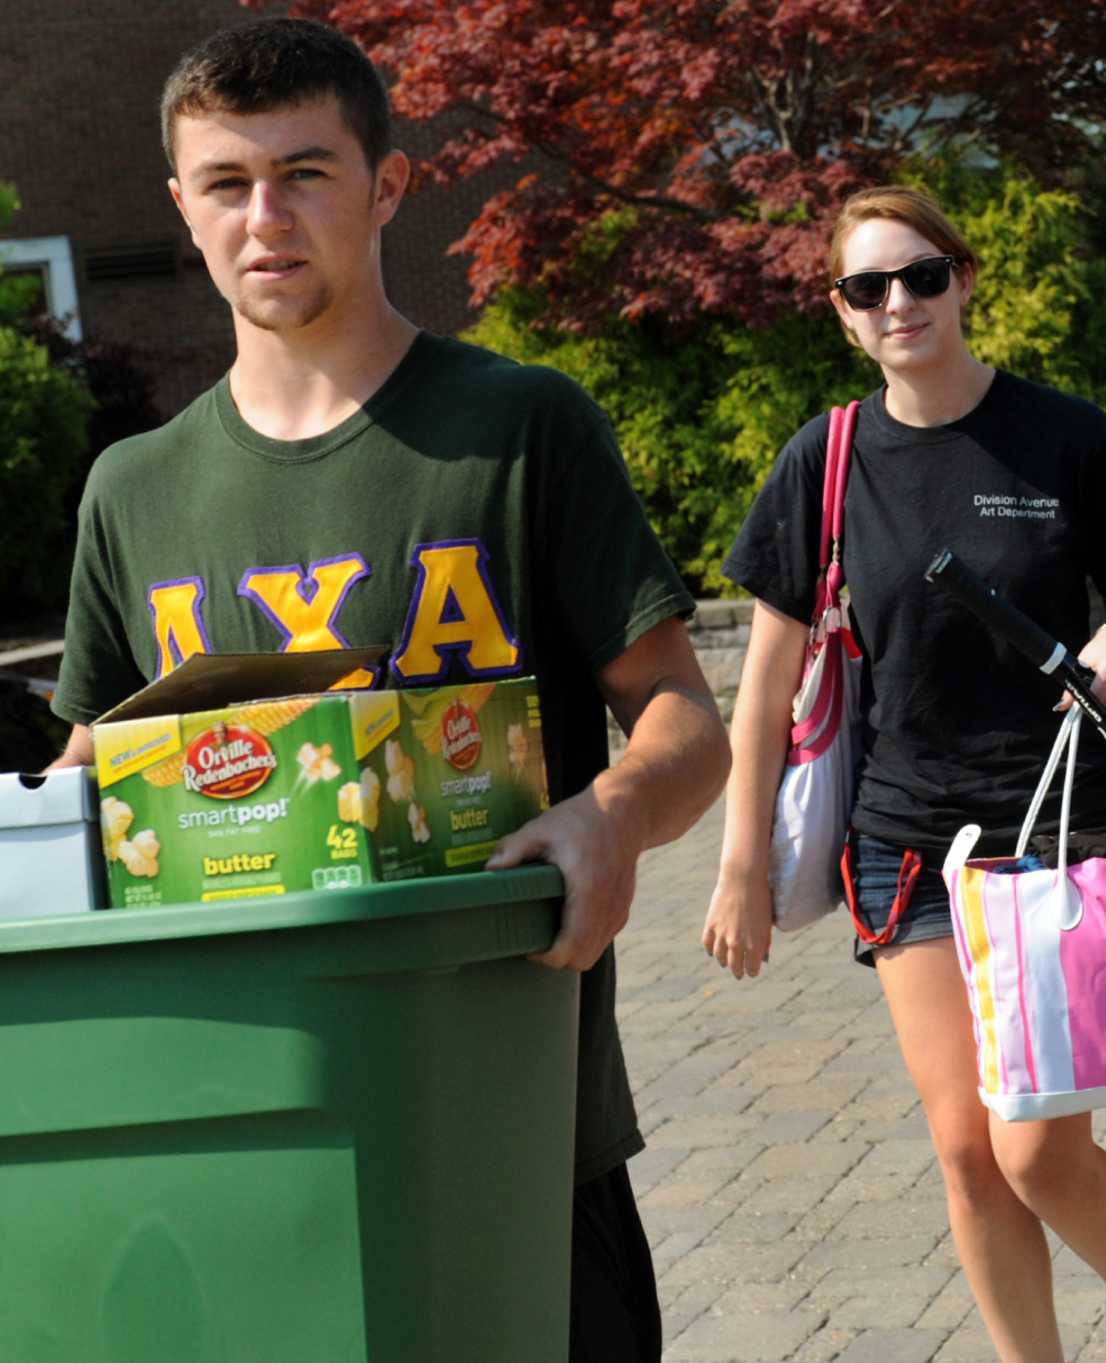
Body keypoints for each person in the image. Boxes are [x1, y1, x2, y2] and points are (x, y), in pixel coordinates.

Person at [46, 18, 730, 1360]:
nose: (265, 217)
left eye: (304, 172)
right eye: (227, 183)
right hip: (235, 1141)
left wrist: (613, 813)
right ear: (181, 207)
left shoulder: (520, 427)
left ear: (387, 187)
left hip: (513, 1122)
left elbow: (684, 717)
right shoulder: (132, 490)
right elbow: (89, 779)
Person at [701, 187, 1106, 1363]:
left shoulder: (1063, 436)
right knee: (968, 1151)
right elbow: (764, 684)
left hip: (1057, 833)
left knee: (1036, 1148)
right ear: (842, 312)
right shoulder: (824, 460)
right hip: (905, 840)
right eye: (867, 286)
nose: (898, 302)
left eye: (921, 275)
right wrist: (738, 866)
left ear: (963, 279)